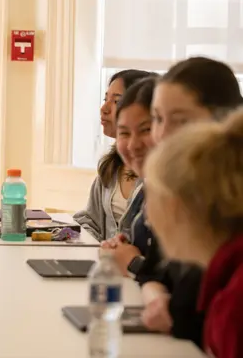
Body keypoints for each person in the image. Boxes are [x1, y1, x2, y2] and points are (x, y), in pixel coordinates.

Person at [103, 57, 243, 347]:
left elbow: (189, 312)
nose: (162, 135)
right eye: (157, 119)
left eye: (181, 121)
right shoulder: (181, 196)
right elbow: (165, 285)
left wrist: (168, 307)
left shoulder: (225, 208)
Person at [144, 107, 243, 358]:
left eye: (150, 197)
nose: (147, 217)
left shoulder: (234, 306)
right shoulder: (228, 276)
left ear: (174, 206)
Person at [74, 70, 155, 241]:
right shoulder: (111, 167)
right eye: (106, 100)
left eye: (116, 101)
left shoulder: (163, 179)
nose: (104, 109)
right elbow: (91, 220)